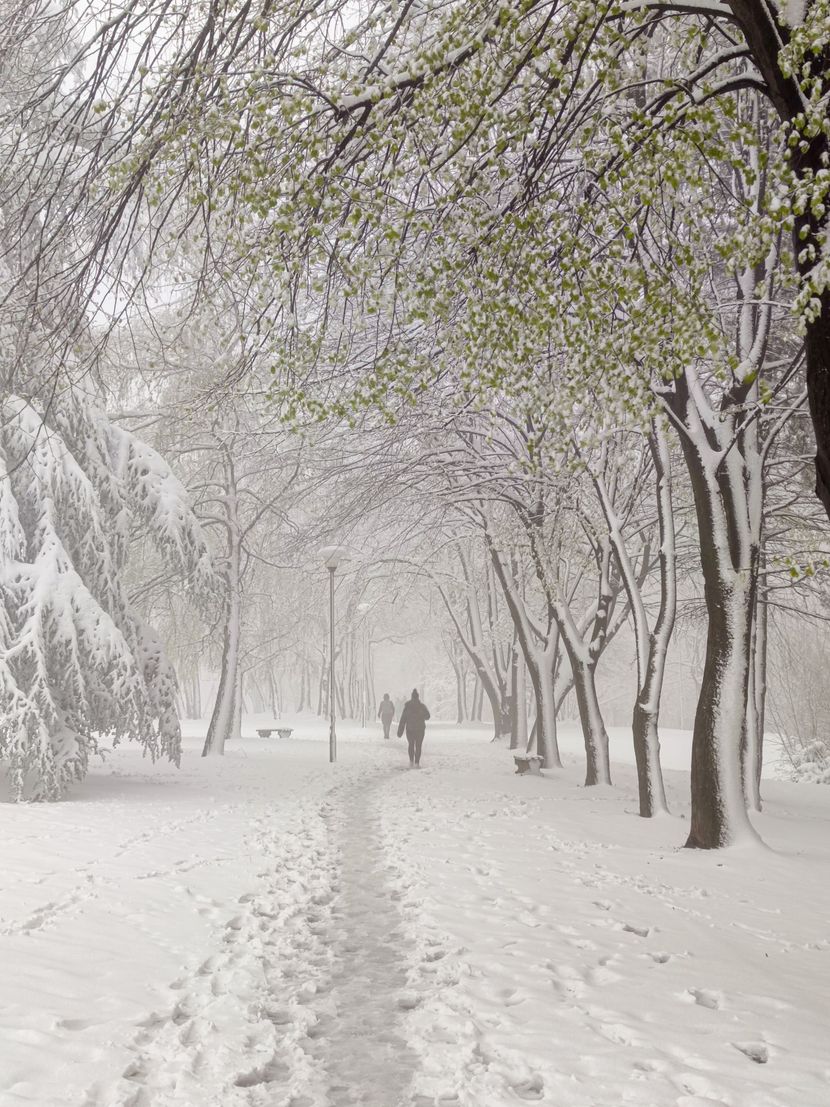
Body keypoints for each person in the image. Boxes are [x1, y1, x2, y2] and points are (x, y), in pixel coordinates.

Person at [397, 688, 431, 768]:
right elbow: (428, 716)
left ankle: (411, 761)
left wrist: (400, 731)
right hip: (420, 730)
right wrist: (421, 715)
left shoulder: (407, 706)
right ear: (418, 697)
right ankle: (417, 763)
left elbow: (403, 719)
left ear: (412, 697)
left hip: (410, 730)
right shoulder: (422, 706)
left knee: (411, 745)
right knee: (418, 746)